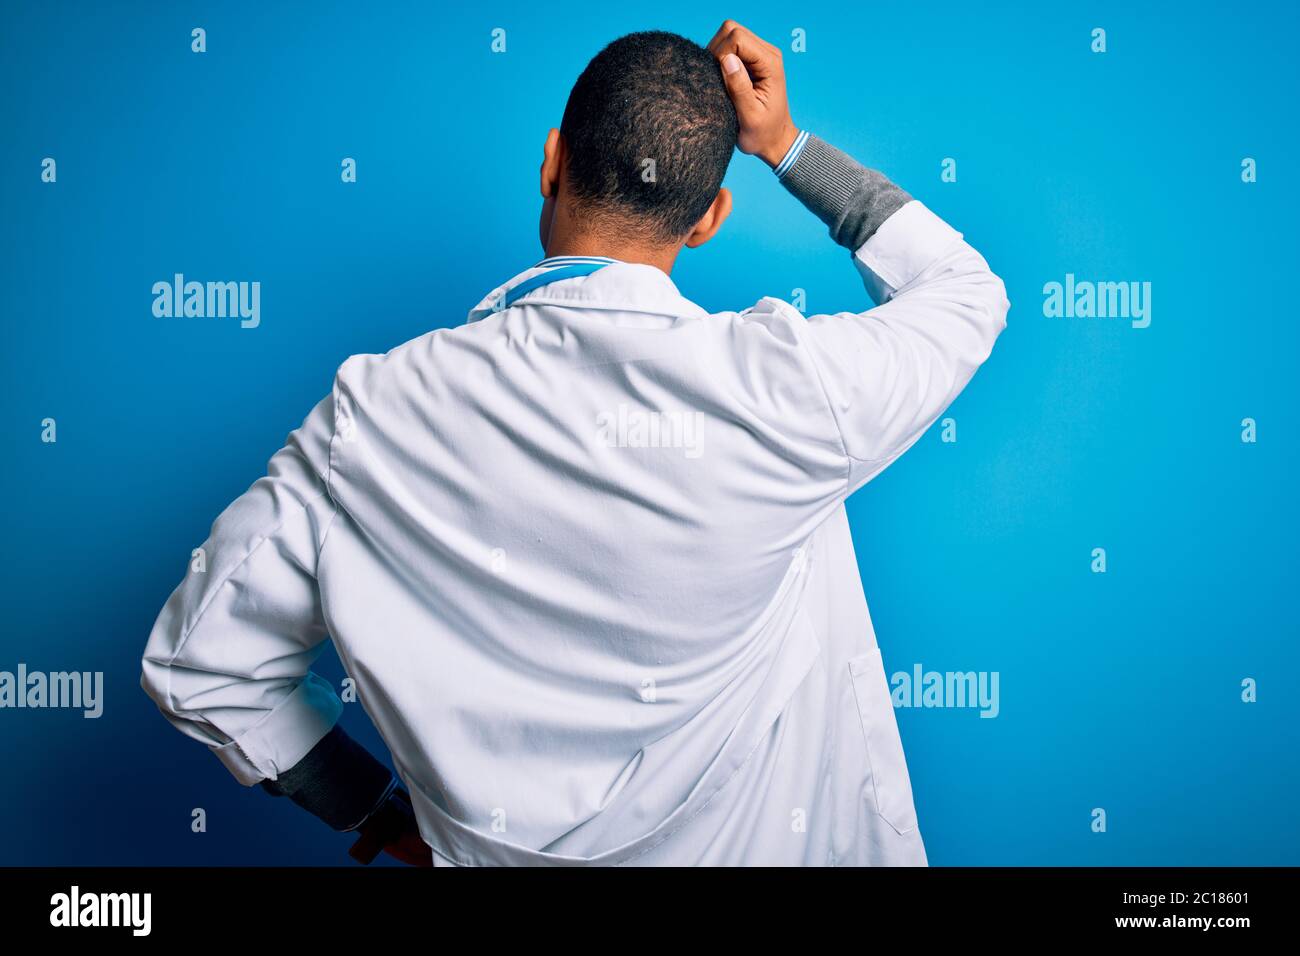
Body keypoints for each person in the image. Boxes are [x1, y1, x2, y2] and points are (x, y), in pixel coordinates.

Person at [140, 21, 1008, 866]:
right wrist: (785, 144)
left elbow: (203, 666)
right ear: (709, 218)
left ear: (551, 162)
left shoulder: (372, 414)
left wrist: (375, 815)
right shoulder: (788, 389)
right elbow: (965, 291)